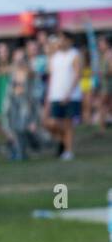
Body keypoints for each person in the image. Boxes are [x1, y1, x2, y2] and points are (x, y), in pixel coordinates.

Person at [43, 30, 83, 160]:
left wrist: (69, 93)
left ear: (69, 40)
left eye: (62, 39)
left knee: (67, 124)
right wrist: (48, 97)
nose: (60, 42)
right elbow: (50, 75)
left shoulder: (74, 55)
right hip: (55, 94)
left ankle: (68, 151)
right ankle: (63, 142)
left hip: (70, 95)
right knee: (51, 123)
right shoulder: (54, 56)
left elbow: (77, 75)